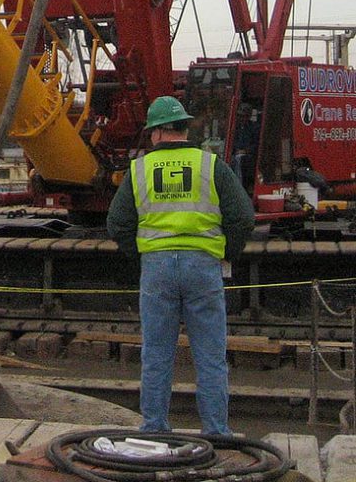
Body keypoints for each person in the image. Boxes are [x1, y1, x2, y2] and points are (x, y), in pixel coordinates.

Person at [106, 95, 255, 435]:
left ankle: (155, 428)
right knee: (210, 356)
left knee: (157, 354)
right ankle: (217, 431)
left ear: (155, 133)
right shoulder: (210, 165)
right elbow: (243, 218)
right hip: (203, 266)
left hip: (157, 268)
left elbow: (117, 224)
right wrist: (226, 253)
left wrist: (143, 252)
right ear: (185, 129)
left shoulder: (138, 170)